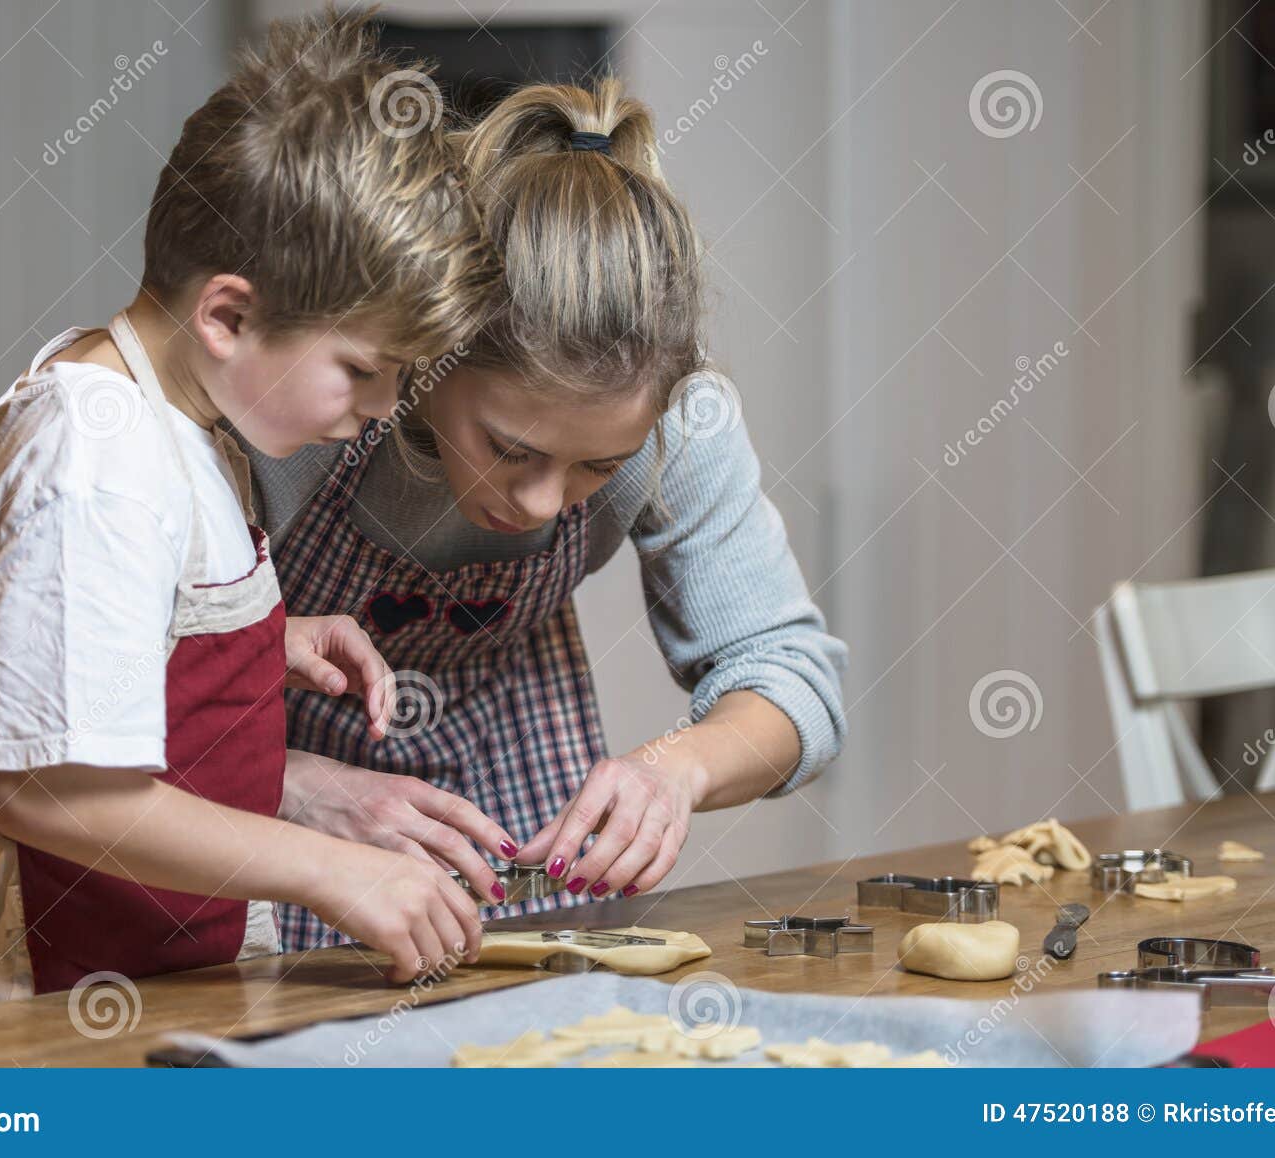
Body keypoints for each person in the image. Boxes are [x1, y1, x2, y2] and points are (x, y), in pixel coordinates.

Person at [0, 10, 497, 1012]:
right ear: (227, 316)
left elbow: (122, 629)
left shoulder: (187, 416)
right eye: (362, 370)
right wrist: (332, 869)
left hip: (162, 977)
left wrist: (254, 642)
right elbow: (52, 790)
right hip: (50, 998)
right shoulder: (95, 456)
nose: (386, 408)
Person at [244, 79, 848, 951]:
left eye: (595, 466)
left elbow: (796, 679)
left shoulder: (683, 420)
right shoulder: (312, 400)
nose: (537, 502)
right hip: (250, 800)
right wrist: (292, 784)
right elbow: (119, 691)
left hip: (511, 785)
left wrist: (675, 770)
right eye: (510, 447)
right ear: (431, 354)